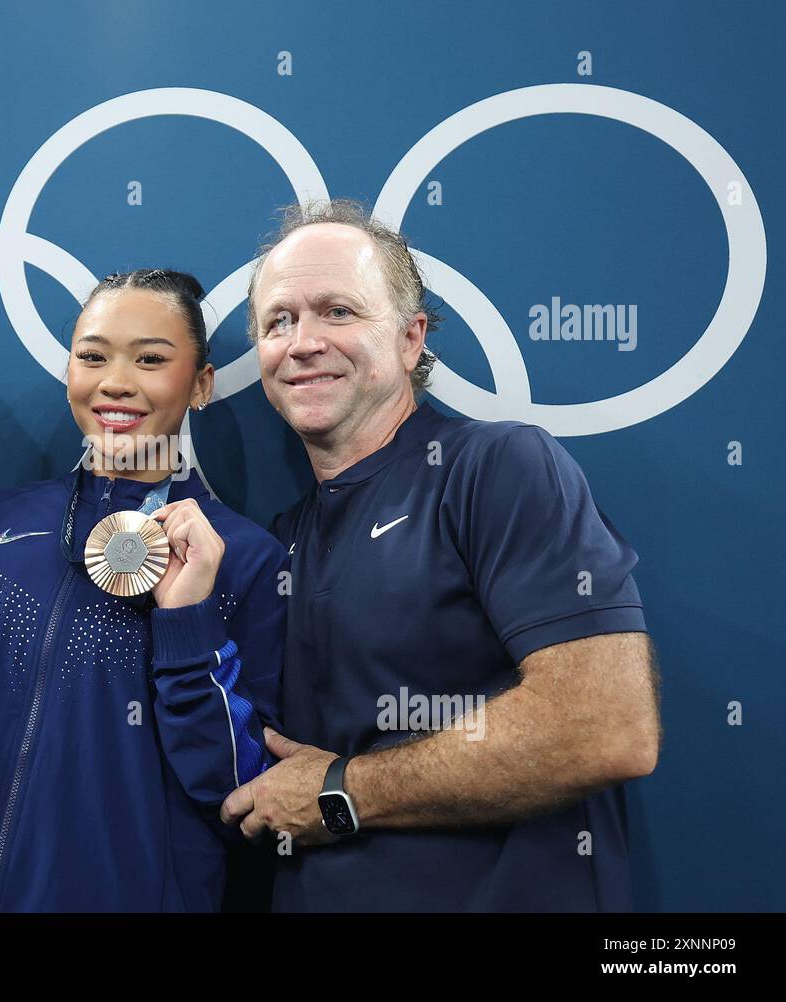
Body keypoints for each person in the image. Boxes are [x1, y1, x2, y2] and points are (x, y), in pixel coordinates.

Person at [221, 199, 661, 911]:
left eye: (338, 311)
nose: (303, 342)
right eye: (280, 321)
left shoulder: (498, 467)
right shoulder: (279, 539)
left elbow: (605, 726)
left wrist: (343, 792)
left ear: (410, 338)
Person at [0, 269, 285, 912]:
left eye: (151, 359)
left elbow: (237, 788)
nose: (115, 382)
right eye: (92, 356)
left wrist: (187, 626)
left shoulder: (241, 559)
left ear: (202, 384)